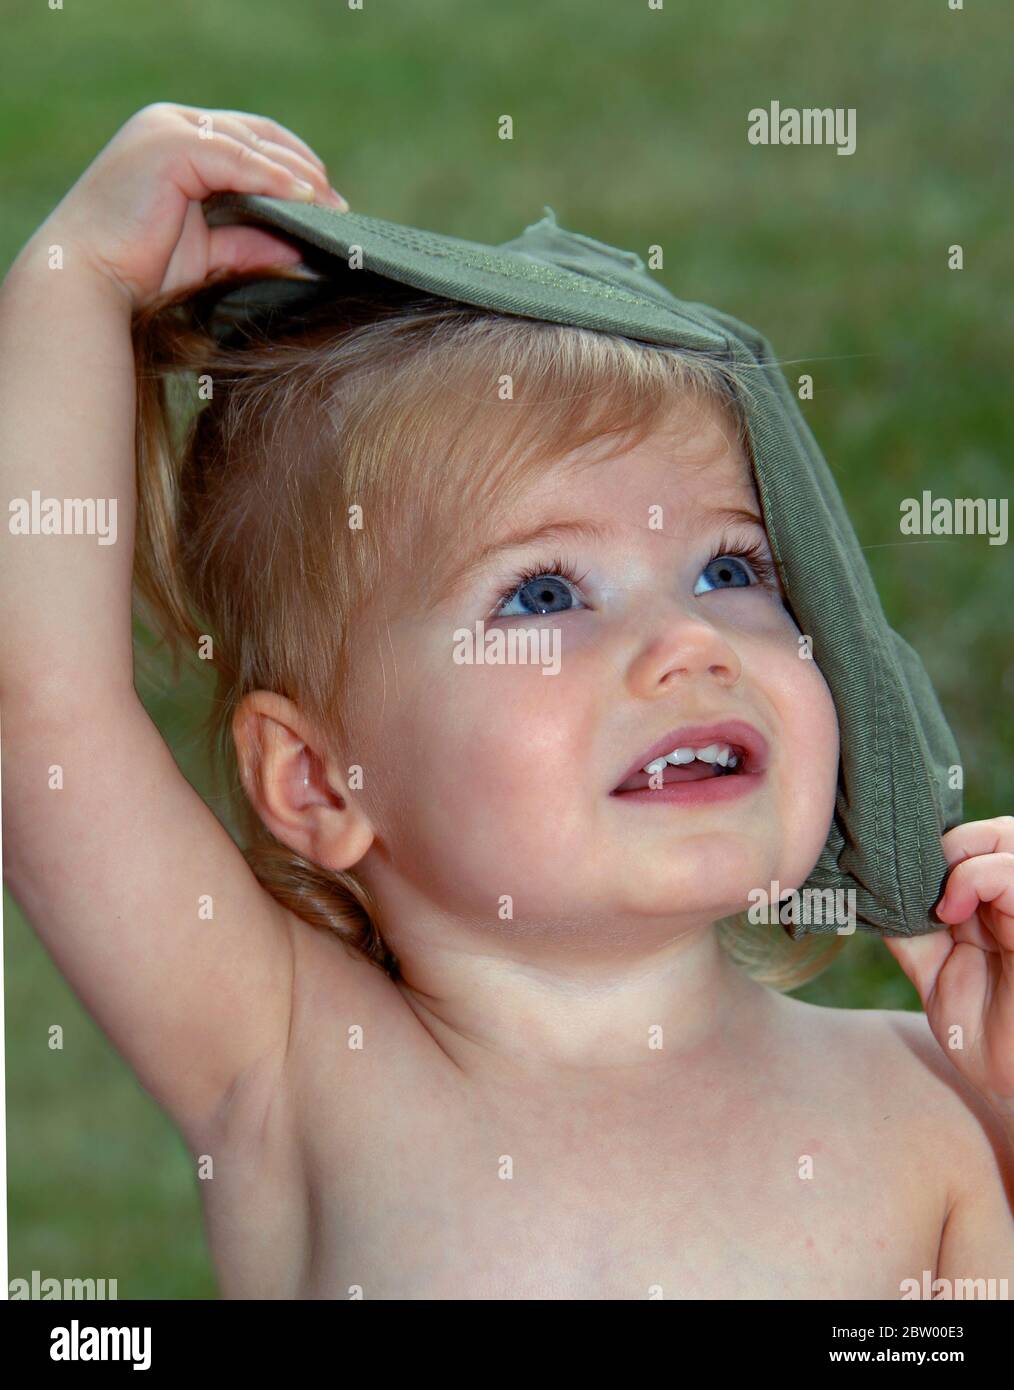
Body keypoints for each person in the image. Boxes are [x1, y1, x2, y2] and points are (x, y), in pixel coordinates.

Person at [2, 102, 1011, 1300]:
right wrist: (75, 280)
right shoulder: (292, 1062)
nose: (691, 641)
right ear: (321, 781)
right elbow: (43, 705)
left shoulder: (934, 1117)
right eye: (542, 595)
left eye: (731, 569)